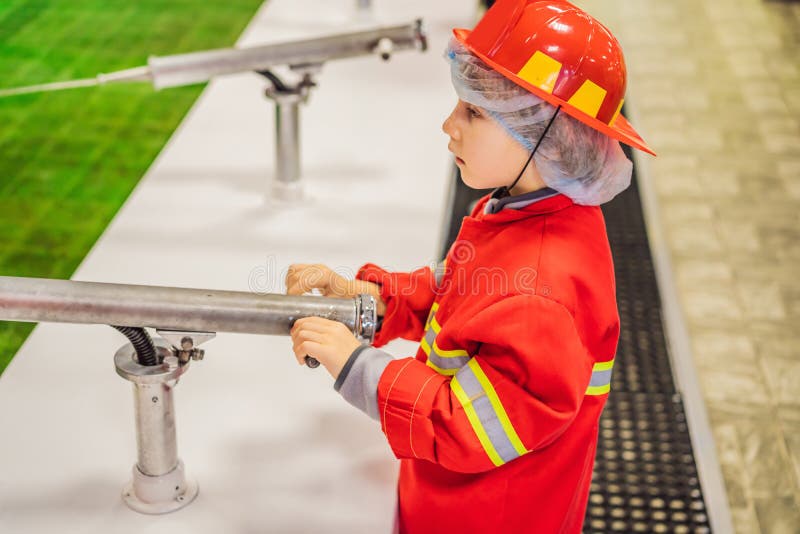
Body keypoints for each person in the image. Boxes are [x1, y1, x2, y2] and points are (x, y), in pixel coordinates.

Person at [286, 1, 655, 532]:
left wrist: (355, 365)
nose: (448, 125)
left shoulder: (544, 291)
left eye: (475, 112)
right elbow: (460, 285)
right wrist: (365, 300)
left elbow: (463, 426)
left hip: (487, 516)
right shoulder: (527, 208)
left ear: (543, 135)